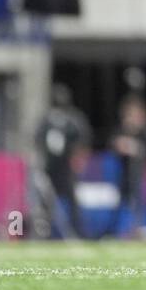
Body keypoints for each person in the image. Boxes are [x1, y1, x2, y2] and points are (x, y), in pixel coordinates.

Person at [36, 84, 91, 239]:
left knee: (72, 201)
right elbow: (38, 140)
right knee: (46, 201)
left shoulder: (73, 119)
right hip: (50, 166)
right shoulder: (47, 119)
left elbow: (82, 140)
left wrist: (78, 158)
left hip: (66, 166)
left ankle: (78, 232)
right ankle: (45, 234)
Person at [110, 95, 146, 238]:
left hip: (145, 174)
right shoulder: (122, 130)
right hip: (125, 174)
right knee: (126, 203)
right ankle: (124, 232)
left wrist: (138, 149)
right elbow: (113, 145)